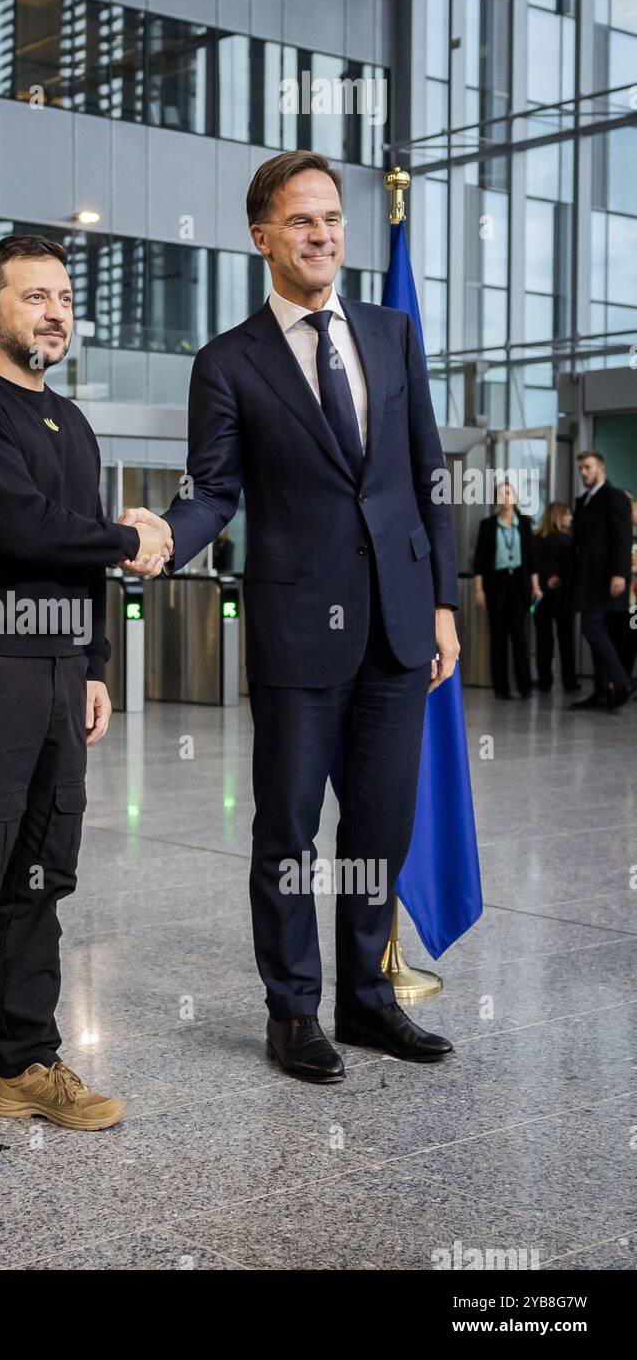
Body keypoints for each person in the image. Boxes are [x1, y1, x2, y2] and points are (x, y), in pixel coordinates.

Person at [121, 150, 457, 1082]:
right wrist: (163, 537)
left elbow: (428, 472)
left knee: (379, 827)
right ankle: (292, 1012)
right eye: (302, 221)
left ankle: (369, 1000)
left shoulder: (391, 335)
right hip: (299, 630)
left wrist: (443, 601)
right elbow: (215, 489)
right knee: (289, 832)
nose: (322, 235)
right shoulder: (228, 362)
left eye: (332, 219)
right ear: (262, 237)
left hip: (396, 620)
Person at [0, 234, 170, 1171]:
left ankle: (27, 1063)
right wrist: (123, 536)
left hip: (58, 674)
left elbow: (71, 561)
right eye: (34, 298)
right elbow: (22, 530)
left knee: (39, 879)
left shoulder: (72, 423)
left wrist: (95, 662)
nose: (55, 313)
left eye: (64, 297)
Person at [569, 450, 632, 711]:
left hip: (606, 579)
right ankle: (601, 691)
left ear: (600, 468)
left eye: (588, 467)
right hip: (586, 579)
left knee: (591, 627)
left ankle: (621, 683)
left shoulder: (614, 497)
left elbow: (623, 537)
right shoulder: (583, 500)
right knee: (596, 630)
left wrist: (619, 573)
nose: (583, 472)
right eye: (581, 468)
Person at [472, 481, 540, 700]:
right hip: (496, 585)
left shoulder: (524, 525)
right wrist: (479, 590)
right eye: (500, 493)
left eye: (508, 492)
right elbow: (480, 561)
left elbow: (532, 559)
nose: (505, 496)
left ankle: (525, 687)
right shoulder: (488, 525)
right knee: (498, 636)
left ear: (515, 497)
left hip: (519, 584)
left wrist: (535, 586)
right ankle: (500, 688)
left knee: (519, 636)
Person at [532, 501, 577, 694]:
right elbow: (573, 567)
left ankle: (545, 681)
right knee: (566, 640)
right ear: (559, 516)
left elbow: (532, 567)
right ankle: (569, 682)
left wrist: (543, 581)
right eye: (567, 514)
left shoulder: (537, 540)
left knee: (544, 640)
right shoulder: (569, 541)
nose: (571, 518)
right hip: (563, 596)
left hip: (540, 596)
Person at [605, 489, 637, 682]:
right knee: (617, 637)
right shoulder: (613, 533)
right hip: (617, 598)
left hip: (634, 601)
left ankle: (624, 677)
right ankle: (618, 679)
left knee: (632, 637)